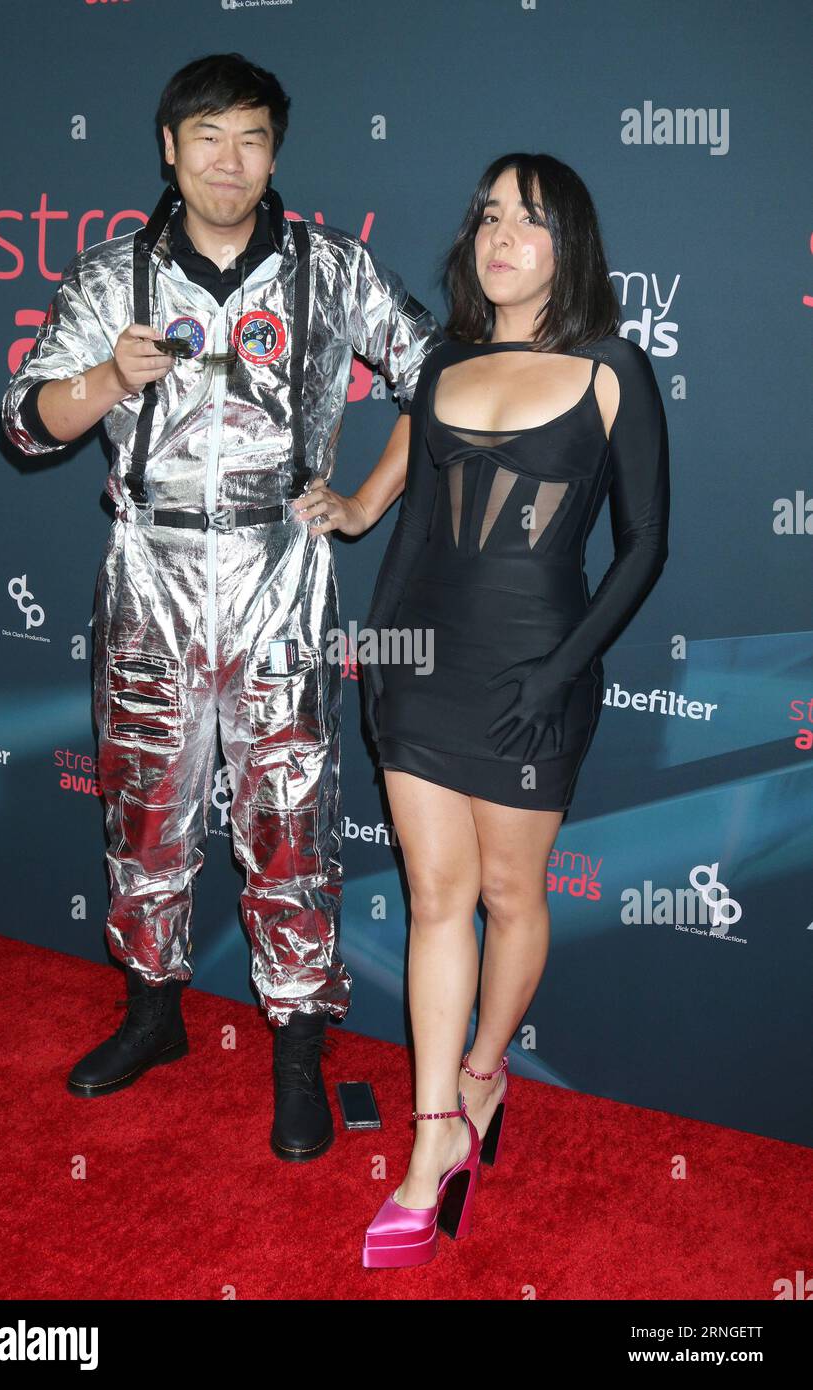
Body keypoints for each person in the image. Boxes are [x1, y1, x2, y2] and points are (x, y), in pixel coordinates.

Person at [0, 53, 442, 1162]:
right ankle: (154, 1008)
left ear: (274, 152)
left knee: (287, 814)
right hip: (147, 565)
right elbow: (22, 425)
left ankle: (296, 1036)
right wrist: (109, 378)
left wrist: (366, 500)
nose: (227, 161)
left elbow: (437, 377)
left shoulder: (329, 269)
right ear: (168, 147)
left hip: (276, 565)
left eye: (249, 138)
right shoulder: (111, 279)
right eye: (206, 138)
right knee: (145, 808)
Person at [360, 153, 670, 1266]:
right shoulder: (439, 367)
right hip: (425, 669)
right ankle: (430, 1134)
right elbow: (405, 538)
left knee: (504, 889)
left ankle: (484, 1073)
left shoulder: (610, 370)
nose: (500, 237)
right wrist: (377, 658)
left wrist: (556, 673)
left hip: (539, 667)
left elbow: (642, 549)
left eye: (528, 222)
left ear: (567, 246)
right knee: (434, 896)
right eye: (487, 216)